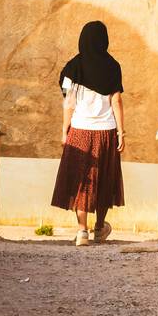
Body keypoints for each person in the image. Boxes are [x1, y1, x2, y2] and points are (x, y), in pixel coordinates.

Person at [50, 20, 125, 245]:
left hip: (80, 130)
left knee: (81, 179)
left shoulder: (72, 67)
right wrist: (122, 132)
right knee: (104, 178)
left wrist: (65, 131)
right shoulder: (113, 66)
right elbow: (117, 100)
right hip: (106, 131)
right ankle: (99, 228)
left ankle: (82, 231)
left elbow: (68, 103)